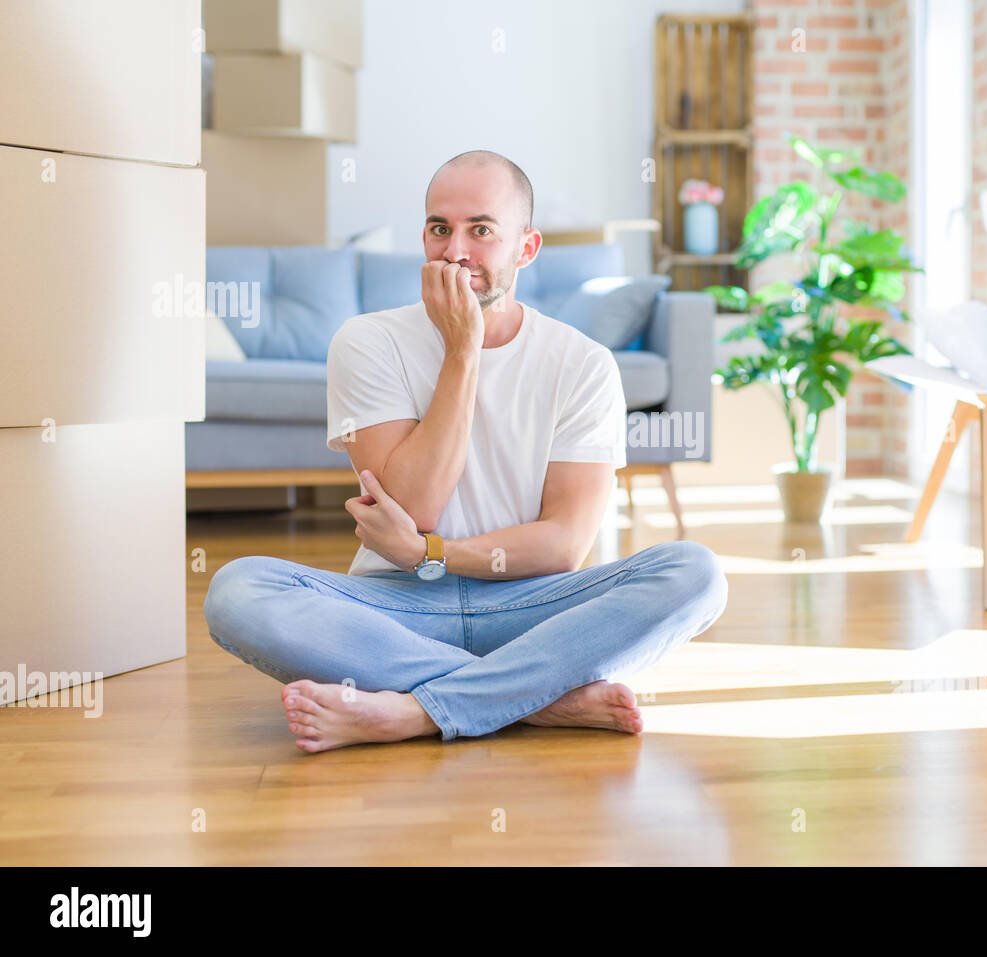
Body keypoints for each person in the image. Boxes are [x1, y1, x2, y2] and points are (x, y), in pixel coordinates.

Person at [202, 149, 728, 752]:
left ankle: (416, 712)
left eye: (481, 230)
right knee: (239, 590)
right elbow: (415, 503)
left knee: (696, 573)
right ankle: (534, 700)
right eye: (439, 229)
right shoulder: (367, 342)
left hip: (532, 606)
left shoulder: (583, 364)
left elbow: (563, 543)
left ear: (525, 249)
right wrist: (462, 352)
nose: (455, 252)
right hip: (394, 609)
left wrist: (430, 552)